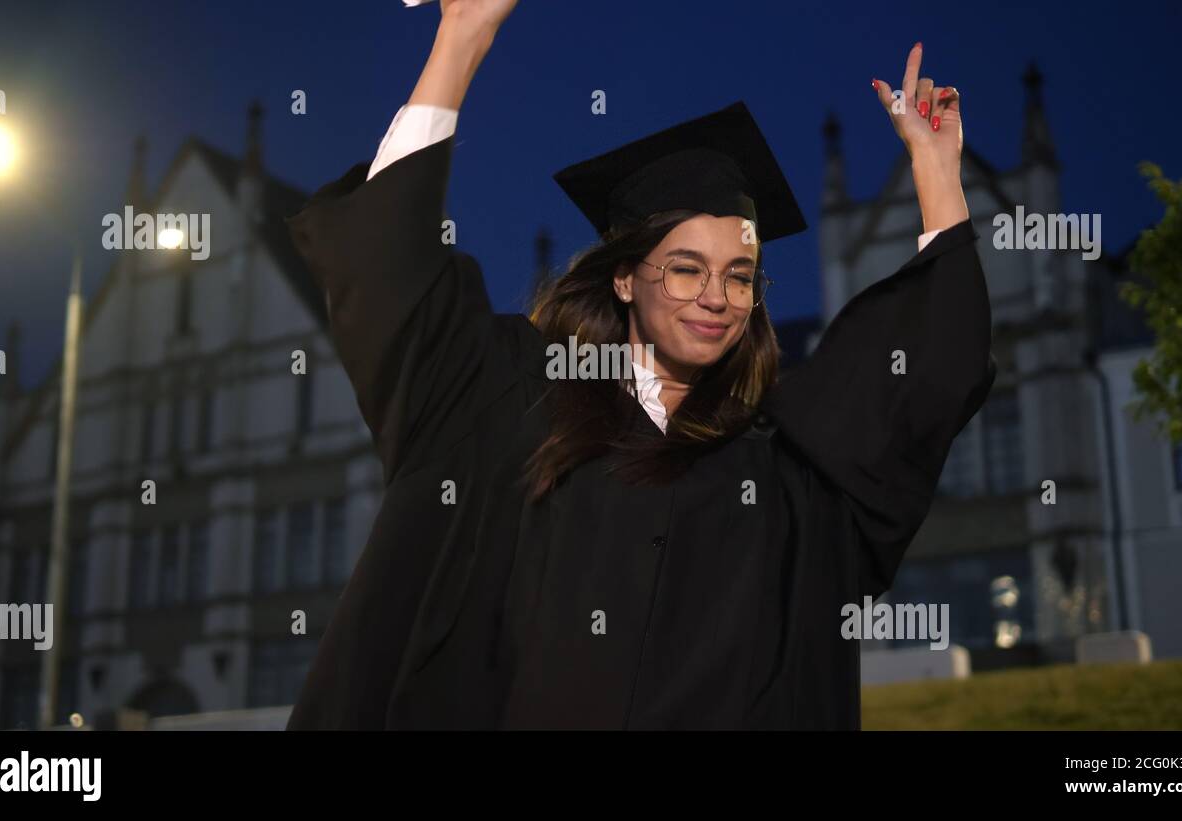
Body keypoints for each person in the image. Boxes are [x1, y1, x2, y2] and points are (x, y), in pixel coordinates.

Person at [283, 0, 994, 729]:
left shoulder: (779, 471)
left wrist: (936, 171)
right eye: (686, 269)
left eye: (741, 276)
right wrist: (463, 36)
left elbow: (921, 382)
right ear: (624, 278)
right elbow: (391, 268)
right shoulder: (512, 398)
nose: (717, 297)